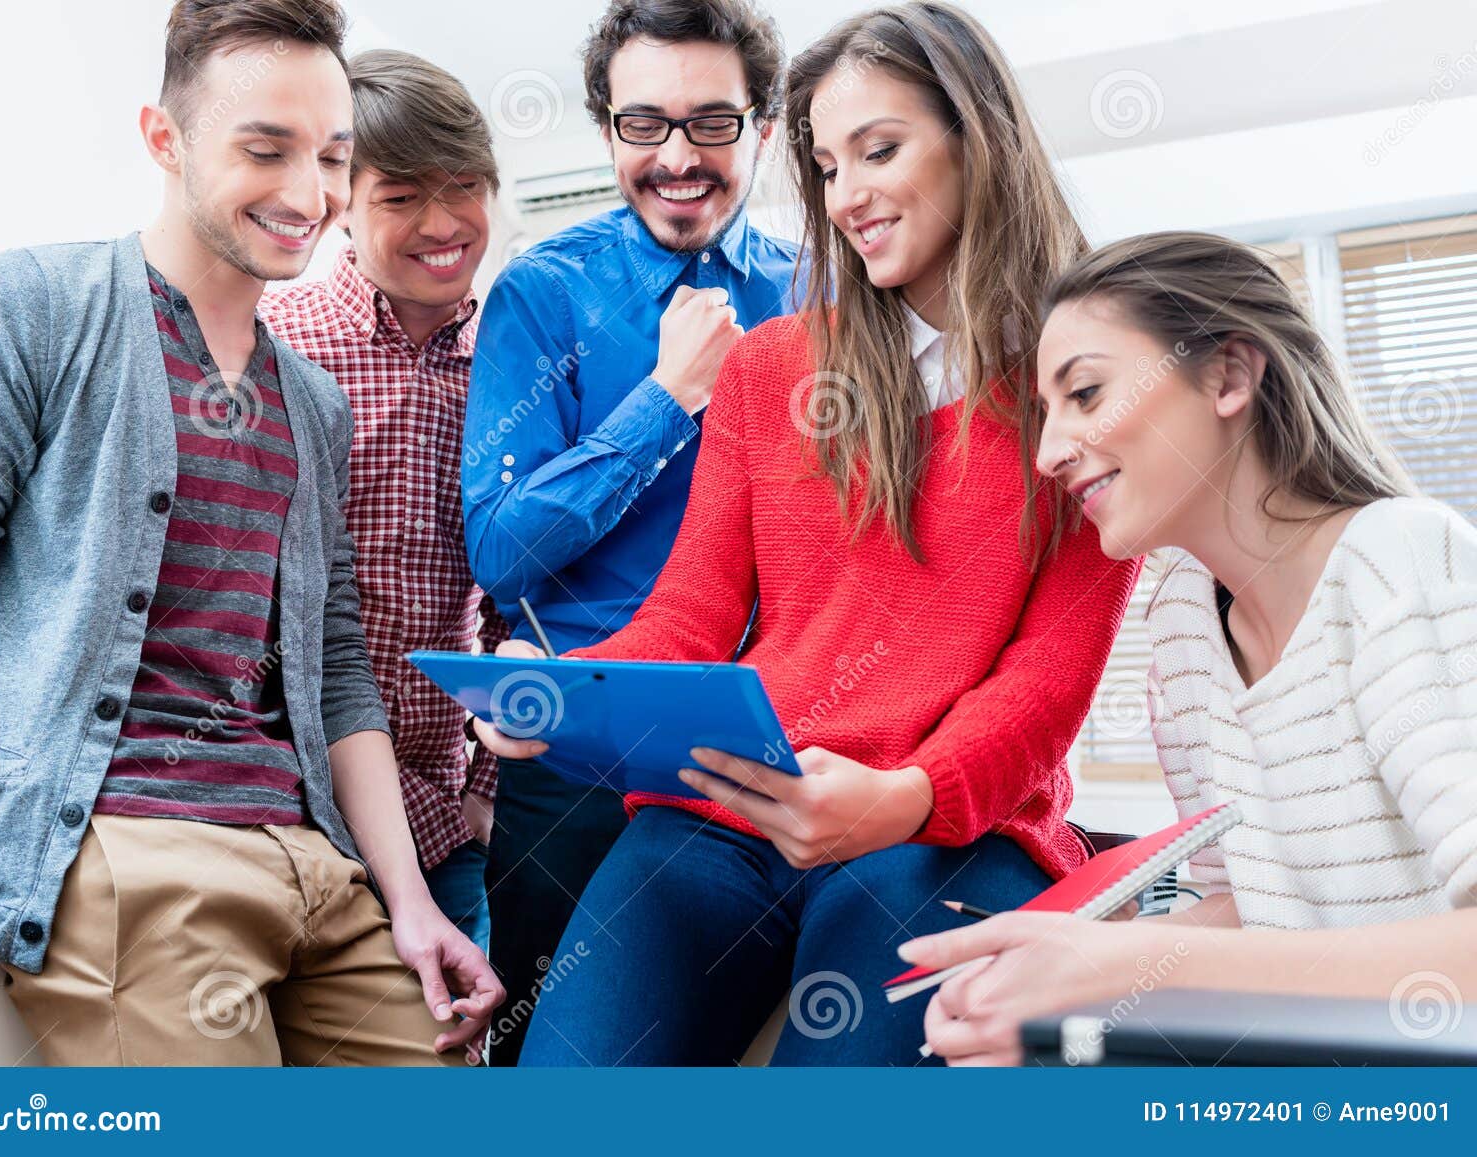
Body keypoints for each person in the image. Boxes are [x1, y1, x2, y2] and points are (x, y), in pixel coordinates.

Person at [476, 1, 1140, 1066]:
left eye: (880, 150)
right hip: (733, 808)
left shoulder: (1083, 378)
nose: (850, 197)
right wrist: (570, 693)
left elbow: (1047, 677)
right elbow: (689, 614)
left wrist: (903, 797)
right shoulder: (773, 367)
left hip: (947, 827)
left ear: (980, 139)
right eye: (829, 167)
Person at [0, 0, 499, 1066]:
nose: (307, 193)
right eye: (266, 150)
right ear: (163, 139)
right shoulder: (29, 309)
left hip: (317, 865)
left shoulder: (312, 404)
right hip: (124, 850)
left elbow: (338, 667)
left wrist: (409, 902)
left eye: (332, 158)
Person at [911, 231, 1477, 1065]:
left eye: (1087, 392)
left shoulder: (1403, 564)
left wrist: (1129, 964)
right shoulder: (1181, 623)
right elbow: (1250, 903)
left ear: (1228, 375)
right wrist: (1067, 968)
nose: (1048, 452)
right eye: (1046, 412)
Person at [461, 0, 799, 1064]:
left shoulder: (821, 294)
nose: (677, 158)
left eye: (711, 123)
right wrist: (667, 394)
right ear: (606, 130)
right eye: (643, 124)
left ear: (765, 130)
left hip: (773, 762)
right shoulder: (541, 295)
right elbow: (503, 549)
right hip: (578, 765)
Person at [261, 49, 505, 952]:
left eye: (465, 186)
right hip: (288, 804)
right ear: (341, 204)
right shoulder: (275, 340)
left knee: (445, 1057)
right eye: (401, 196)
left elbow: (531, 602)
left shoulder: (515, 362)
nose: (442, 223)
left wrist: (486, 792)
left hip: (445, 820)